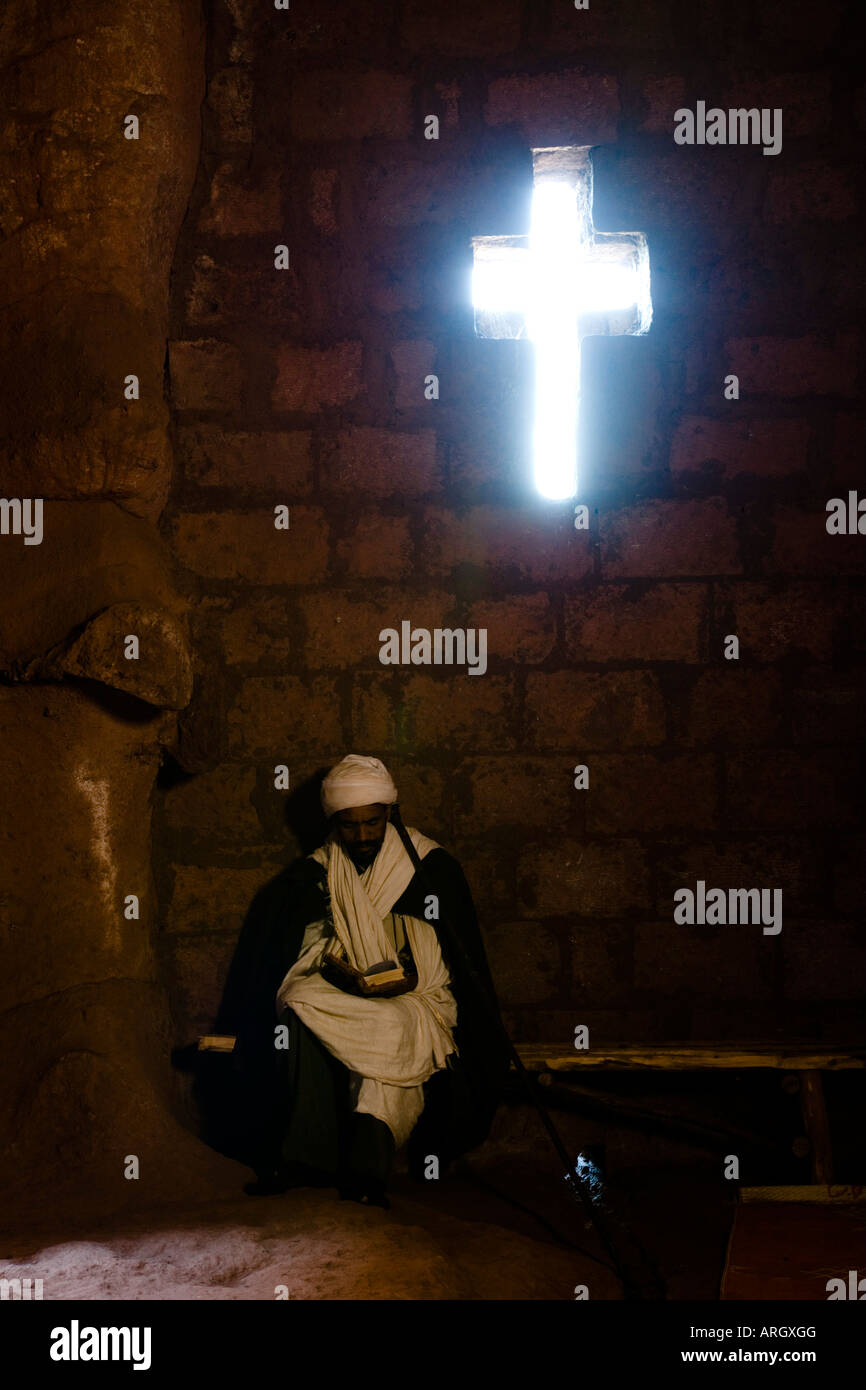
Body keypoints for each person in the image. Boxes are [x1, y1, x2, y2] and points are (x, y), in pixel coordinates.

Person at [211, 754, 510, 1208]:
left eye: (372, 822)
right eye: (350, 826)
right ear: (335, 821)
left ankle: (368, 1174)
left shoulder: (430, 866)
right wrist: (339, 963)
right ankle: (303, 1160)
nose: (364, 836)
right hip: (339, 984)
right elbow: (294, 947)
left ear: (390, 812)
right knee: (297, 1007)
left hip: (415, 992)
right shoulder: (316, 873)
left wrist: (409, 964)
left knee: (394, 1026)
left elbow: (458, 951)